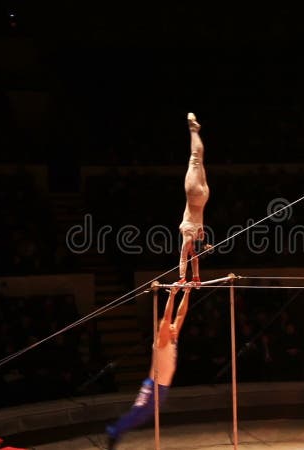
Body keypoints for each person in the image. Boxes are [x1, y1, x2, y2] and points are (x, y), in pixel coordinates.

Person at [105, 286, 191, 449]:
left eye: (174, 327)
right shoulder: (161, 342)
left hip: (162, 387)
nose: (174, 327)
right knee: (138, 414)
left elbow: (181, 314)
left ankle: (115, 430)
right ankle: (113, 431)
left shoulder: (173, 338)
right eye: (170, 327)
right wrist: (172, 295)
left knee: (142, 416)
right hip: (154, 387)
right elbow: (167, 318)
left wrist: (187, 292)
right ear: (162, 332)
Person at [177, 112, 210, 287]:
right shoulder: (190, 239)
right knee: (195, 158)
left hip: (203, 195)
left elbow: (193, 257)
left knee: (199, 159)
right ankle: (193, 129)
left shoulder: (198, 235)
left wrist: (196, 278)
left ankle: (194, 131)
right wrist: (182, 277)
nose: (193, 254)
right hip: (195, 194)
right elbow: (185, 255)